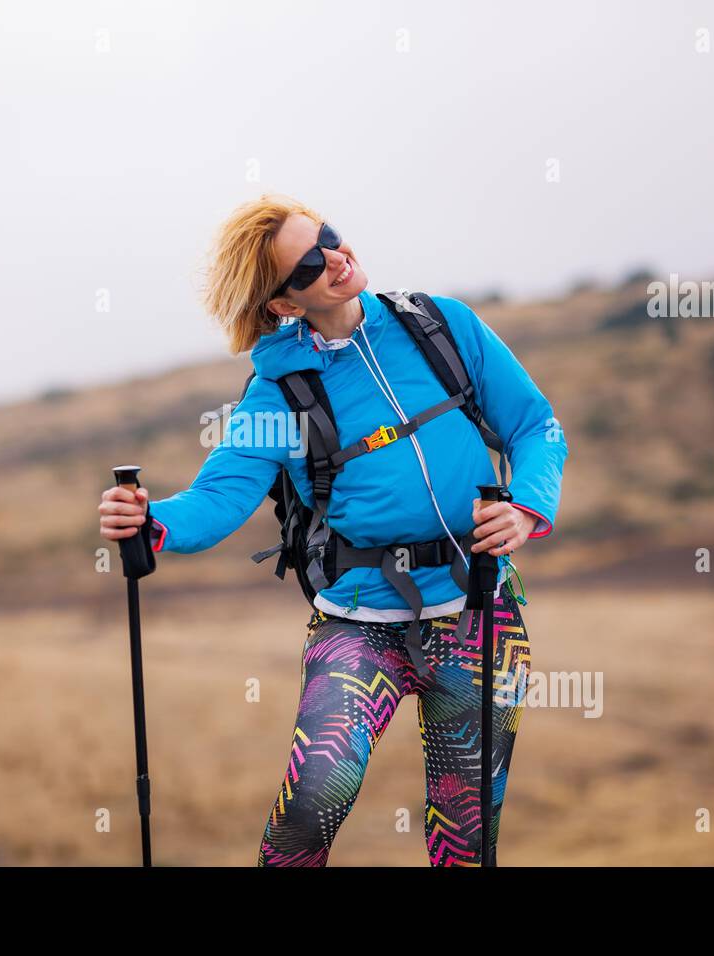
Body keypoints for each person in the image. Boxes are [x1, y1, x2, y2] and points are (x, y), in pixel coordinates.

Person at [99, 194, 567, 866]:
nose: (336, 261)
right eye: (309, 266)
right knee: (310, 807)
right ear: (283, 305)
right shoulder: (280, 392)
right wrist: (150, 521)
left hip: (478, 610)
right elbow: (219, 496)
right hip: (358, 622)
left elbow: (536, 426)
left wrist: (525, 506)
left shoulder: (443, 327)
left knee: (465, 841)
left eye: (331, 239)